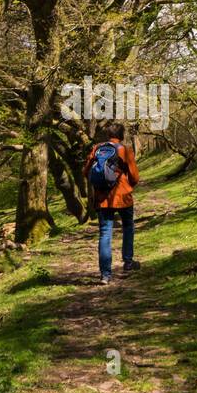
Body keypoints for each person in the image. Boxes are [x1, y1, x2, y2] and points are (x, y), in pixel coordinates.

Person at [84, 122, 141, 284]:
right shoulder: (125, 150)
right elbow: (135, 177)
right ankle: (128, 262)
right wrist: (127, 184)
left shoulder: (96, 149)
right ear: (122, 136)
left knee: (105, 234)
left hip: (102, 199)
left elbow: (86, 172)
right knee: (128, 227)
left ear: (108, 135)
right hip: (123, 197)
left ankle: (105, 275)